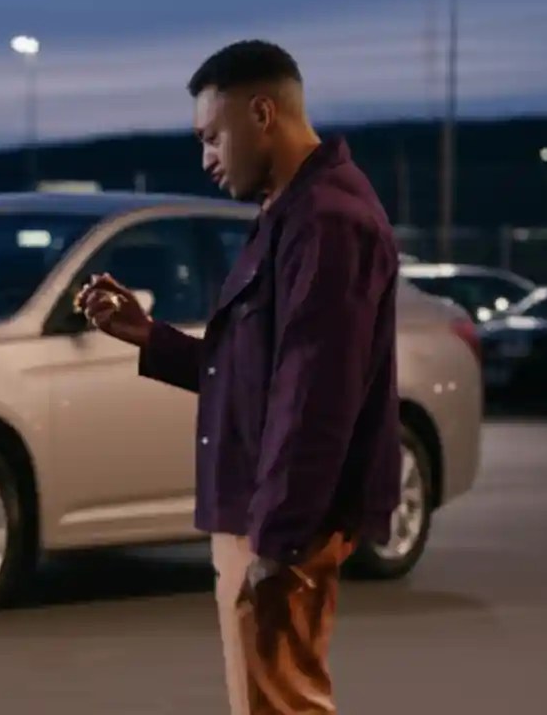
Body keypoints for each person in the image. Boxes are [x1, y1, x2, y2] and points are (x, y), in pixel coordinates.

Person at [75, 40, 401, 714]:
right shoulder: (290, 213)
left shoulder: (327, 221)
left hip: (278, 522)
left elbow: (315, 397)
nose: (207, 160)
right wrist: (150, 338)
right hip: (265, 513)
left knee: (279, 705)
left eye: (212, 137)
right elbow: (259, 375)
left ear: (261, 114)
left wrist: (277, 543)